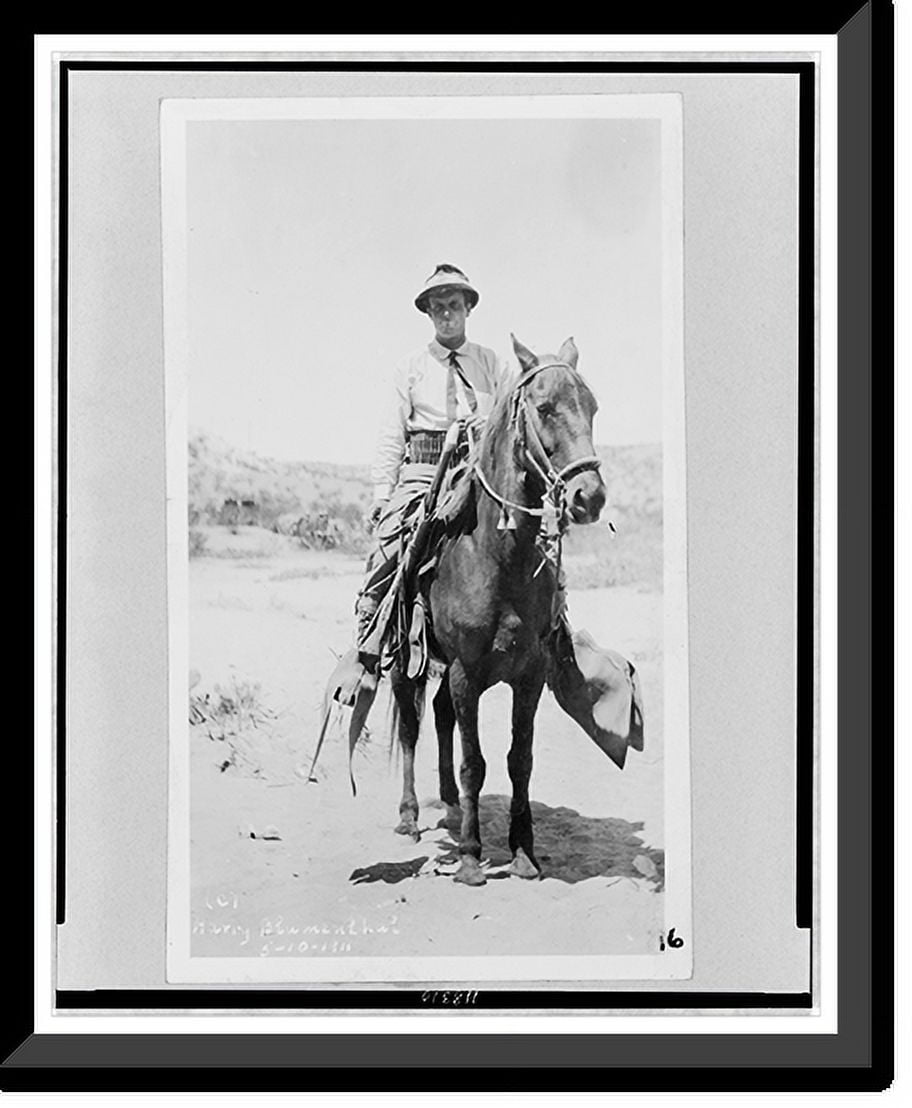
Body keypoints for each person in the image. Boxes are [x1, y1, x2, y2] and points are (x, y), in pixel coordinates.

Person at [353, 264, 510, 676]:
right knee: (390, 542)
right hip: (425, 471)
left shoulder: (492, 363)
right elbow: (391, 434)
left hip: (483, 474)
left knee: (534, 540)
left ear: (468, 309)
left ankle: (554, 638)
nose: (446, 314)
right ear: (427, 313)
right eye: (437, 307)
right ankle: (370, 640)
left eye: (454, 305)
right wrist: (382, 495)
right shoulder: (410, 367)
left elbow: (513, 420)